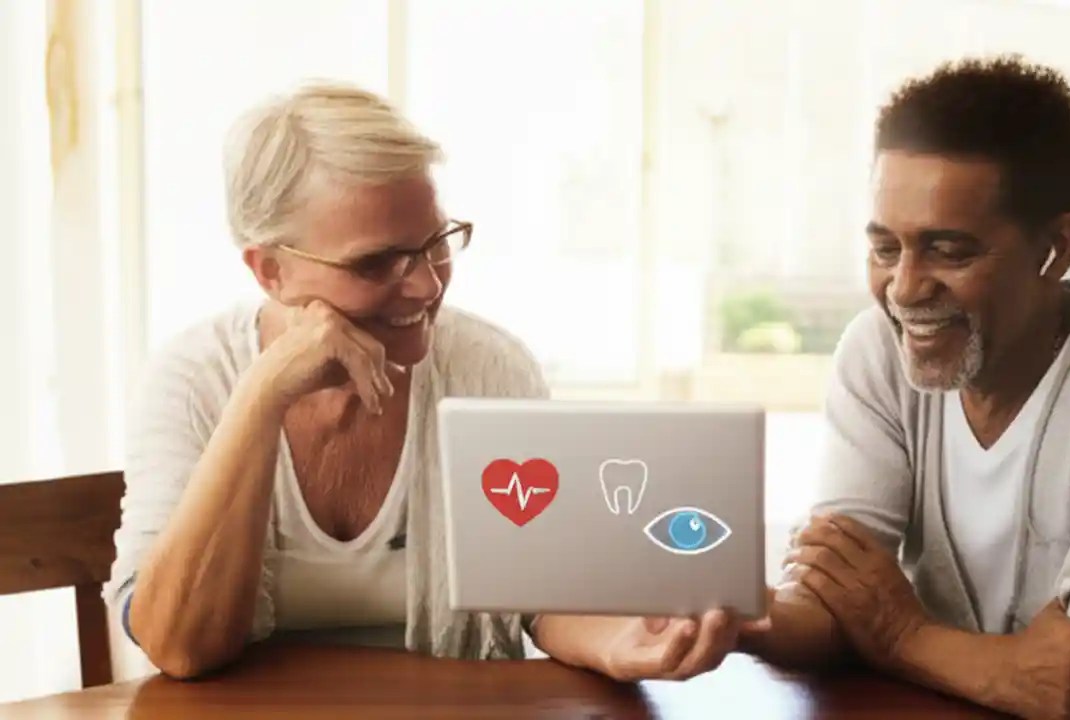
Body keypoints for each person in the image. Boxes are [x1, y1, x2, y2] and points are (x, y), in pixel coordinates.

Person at [105, 81, 759, 681]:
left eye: (435, 242)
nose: (426, 284)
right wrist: (261, 396)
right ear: (270, 271)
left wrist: (619, 645)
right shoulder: (191, 380)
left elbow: (540, 597)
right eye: (377, 262)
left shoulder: (487, 368)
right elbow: (181, 644)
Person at [739, 56, 1070, 720]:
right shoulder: (877, 347)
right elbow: (835, 599)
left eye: (948, 251)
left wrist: (899, 634)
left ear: (1055, 248)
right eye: (886, 248)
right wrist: (736, 613)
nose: (905, 289)